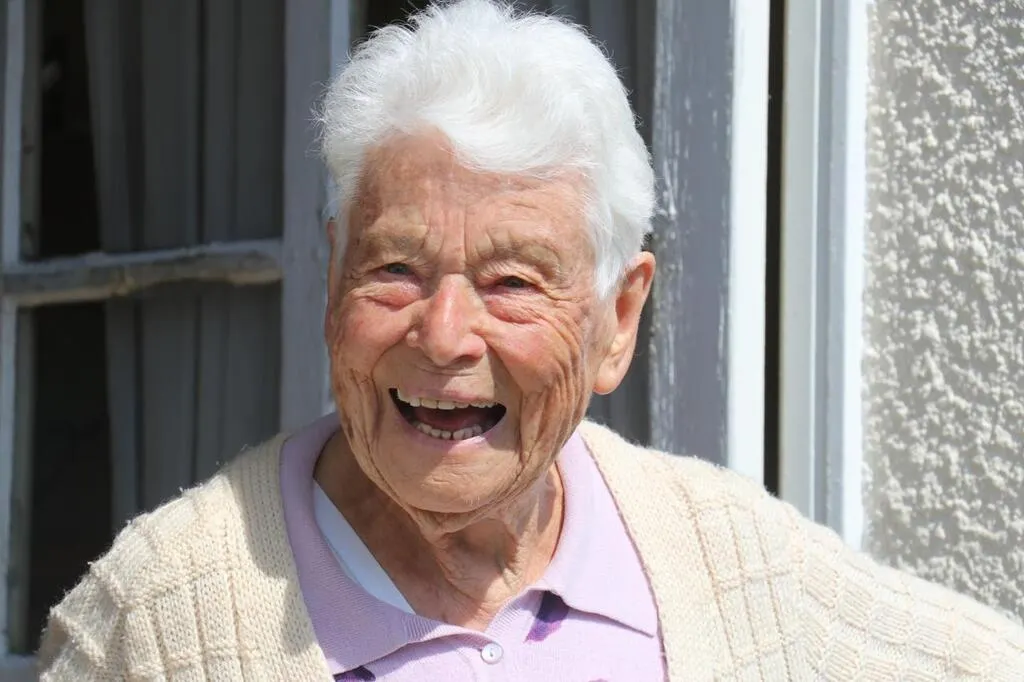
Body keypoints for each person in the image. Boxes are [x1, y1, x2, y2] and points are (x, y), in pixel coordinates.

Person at [38, 1, 1024, 680]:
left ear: (616, 320)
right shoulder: (158, 617)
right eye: (394, 270)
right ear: (333, 274)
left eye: (512, 281)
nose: (444, 334)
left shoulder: (727, 558)